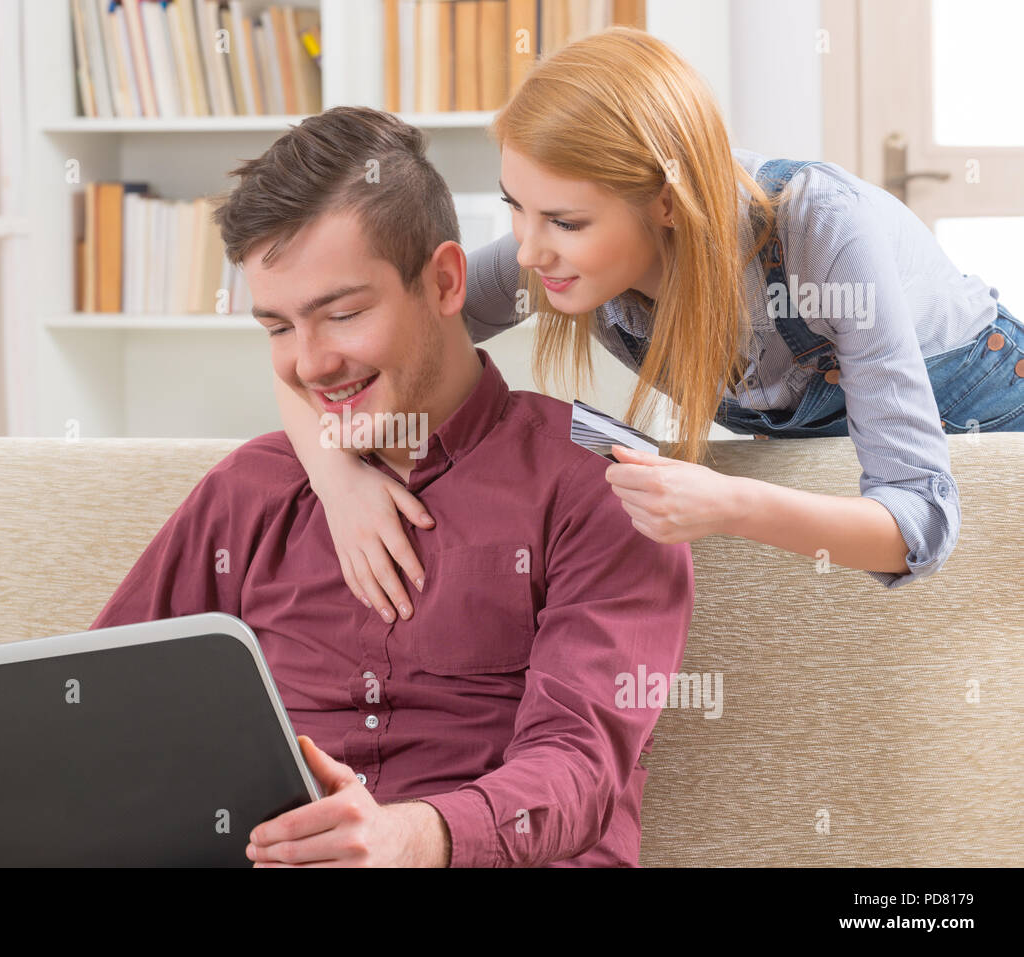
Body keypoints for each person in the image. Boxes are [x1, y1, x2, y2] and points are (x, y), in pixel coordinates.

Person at [90, 106, 693, 867]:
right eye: (278, 328)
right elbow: (96, 708)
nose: (309, 365)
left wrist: (408, 838)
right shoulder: (252, 492)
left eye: (341, 314)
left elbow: (579, 765)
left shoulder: (603, 478)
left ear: (444, 280)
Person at [280, 27, 1023, 626]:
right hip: (819, 445)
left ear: (666, 202)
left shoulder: (824, 232)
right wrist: (340, 480)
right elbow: (320, 348)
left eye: (566, 221)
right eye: (514, 206)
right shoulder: (549, 255)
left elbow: (921, 522)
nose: (529, 251)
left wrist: (726, 501)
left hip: (989, 409)